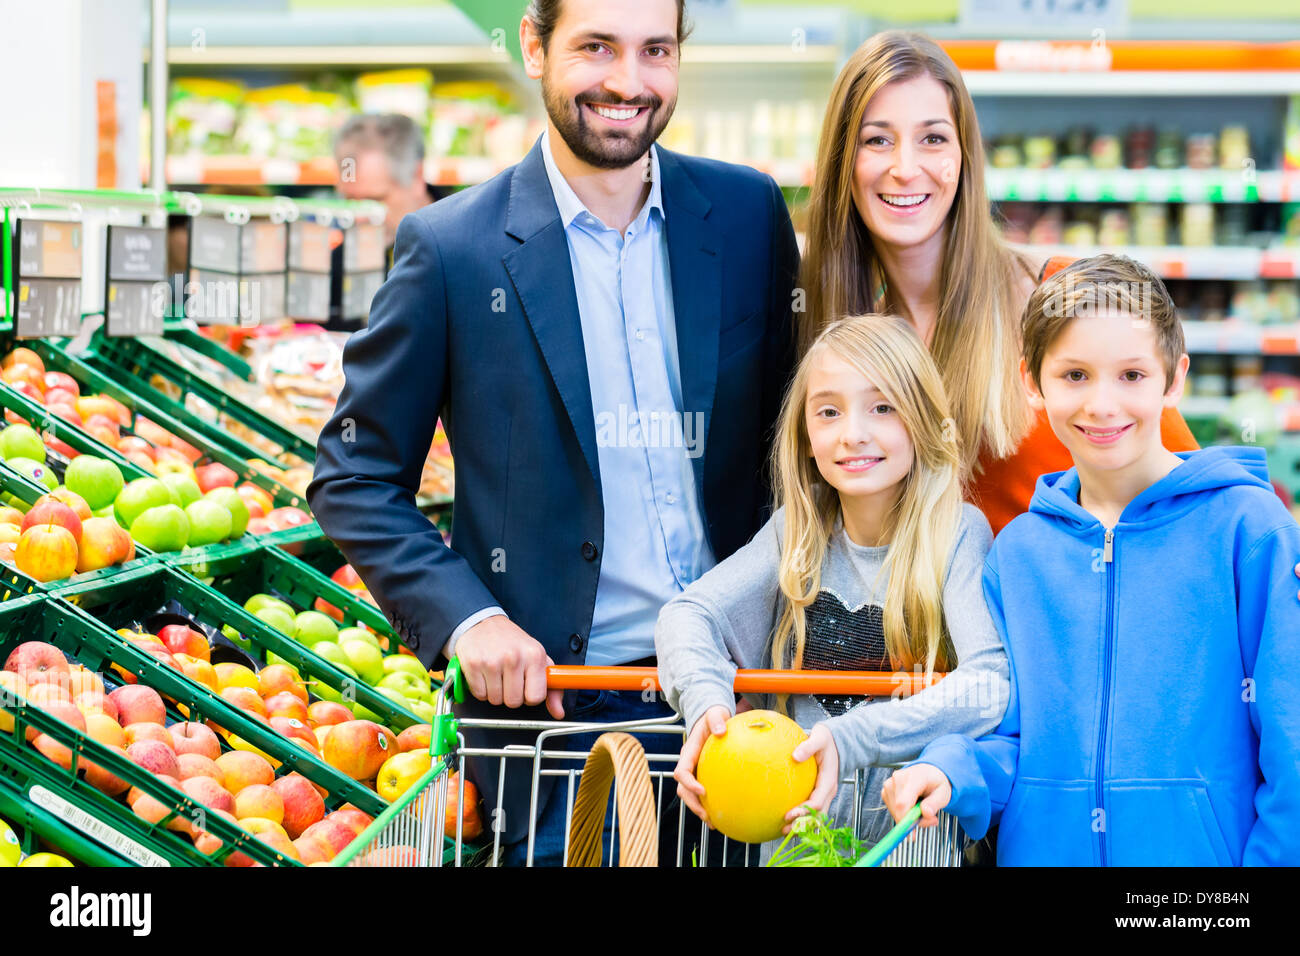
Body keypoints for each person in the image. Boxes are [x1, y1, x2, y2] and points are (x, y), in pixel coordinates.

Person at [307, 0, 799, 866]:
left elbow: (794, 439)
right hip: (554, 720)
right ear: (534, 47)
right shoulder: (452, 249)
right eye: (596, 47)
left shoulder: (747, 214)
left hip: (738, 700)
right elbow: (353, 473)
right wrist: (467, 619)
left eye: (655, 51)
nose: (628, 82)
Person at [882, 255, 1300, 866]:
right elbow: (1013, 737)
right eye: (1075, 375)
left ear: (1173, 379)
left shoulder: (1249, 532)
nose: (1103, 405)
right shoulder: (1018, 554)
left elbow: (1289, 747)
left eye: (1131, 375)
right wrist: (953, 770)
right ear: (1031, 381)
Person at [796, 31, 1199, 535]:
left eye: (933, 139)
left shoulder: (1065, 297)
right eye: (877, 139)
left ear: (965, 157)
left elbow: (1191, 481)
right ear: (843, 164)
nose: (905, 168)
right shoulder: (852, 340)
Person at [657, 313, 1010, 860]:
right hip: (796, 845)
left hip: (912, 845)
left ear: (922, 419)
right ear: (807, 434)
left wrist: (853, 737)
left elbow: (990, 684)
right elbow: (687, 614)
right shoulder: (795, 534)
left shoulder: (956, 532)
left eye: (882, 407)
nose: (853, 433)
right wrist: (709, 706)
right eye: (828, 411)